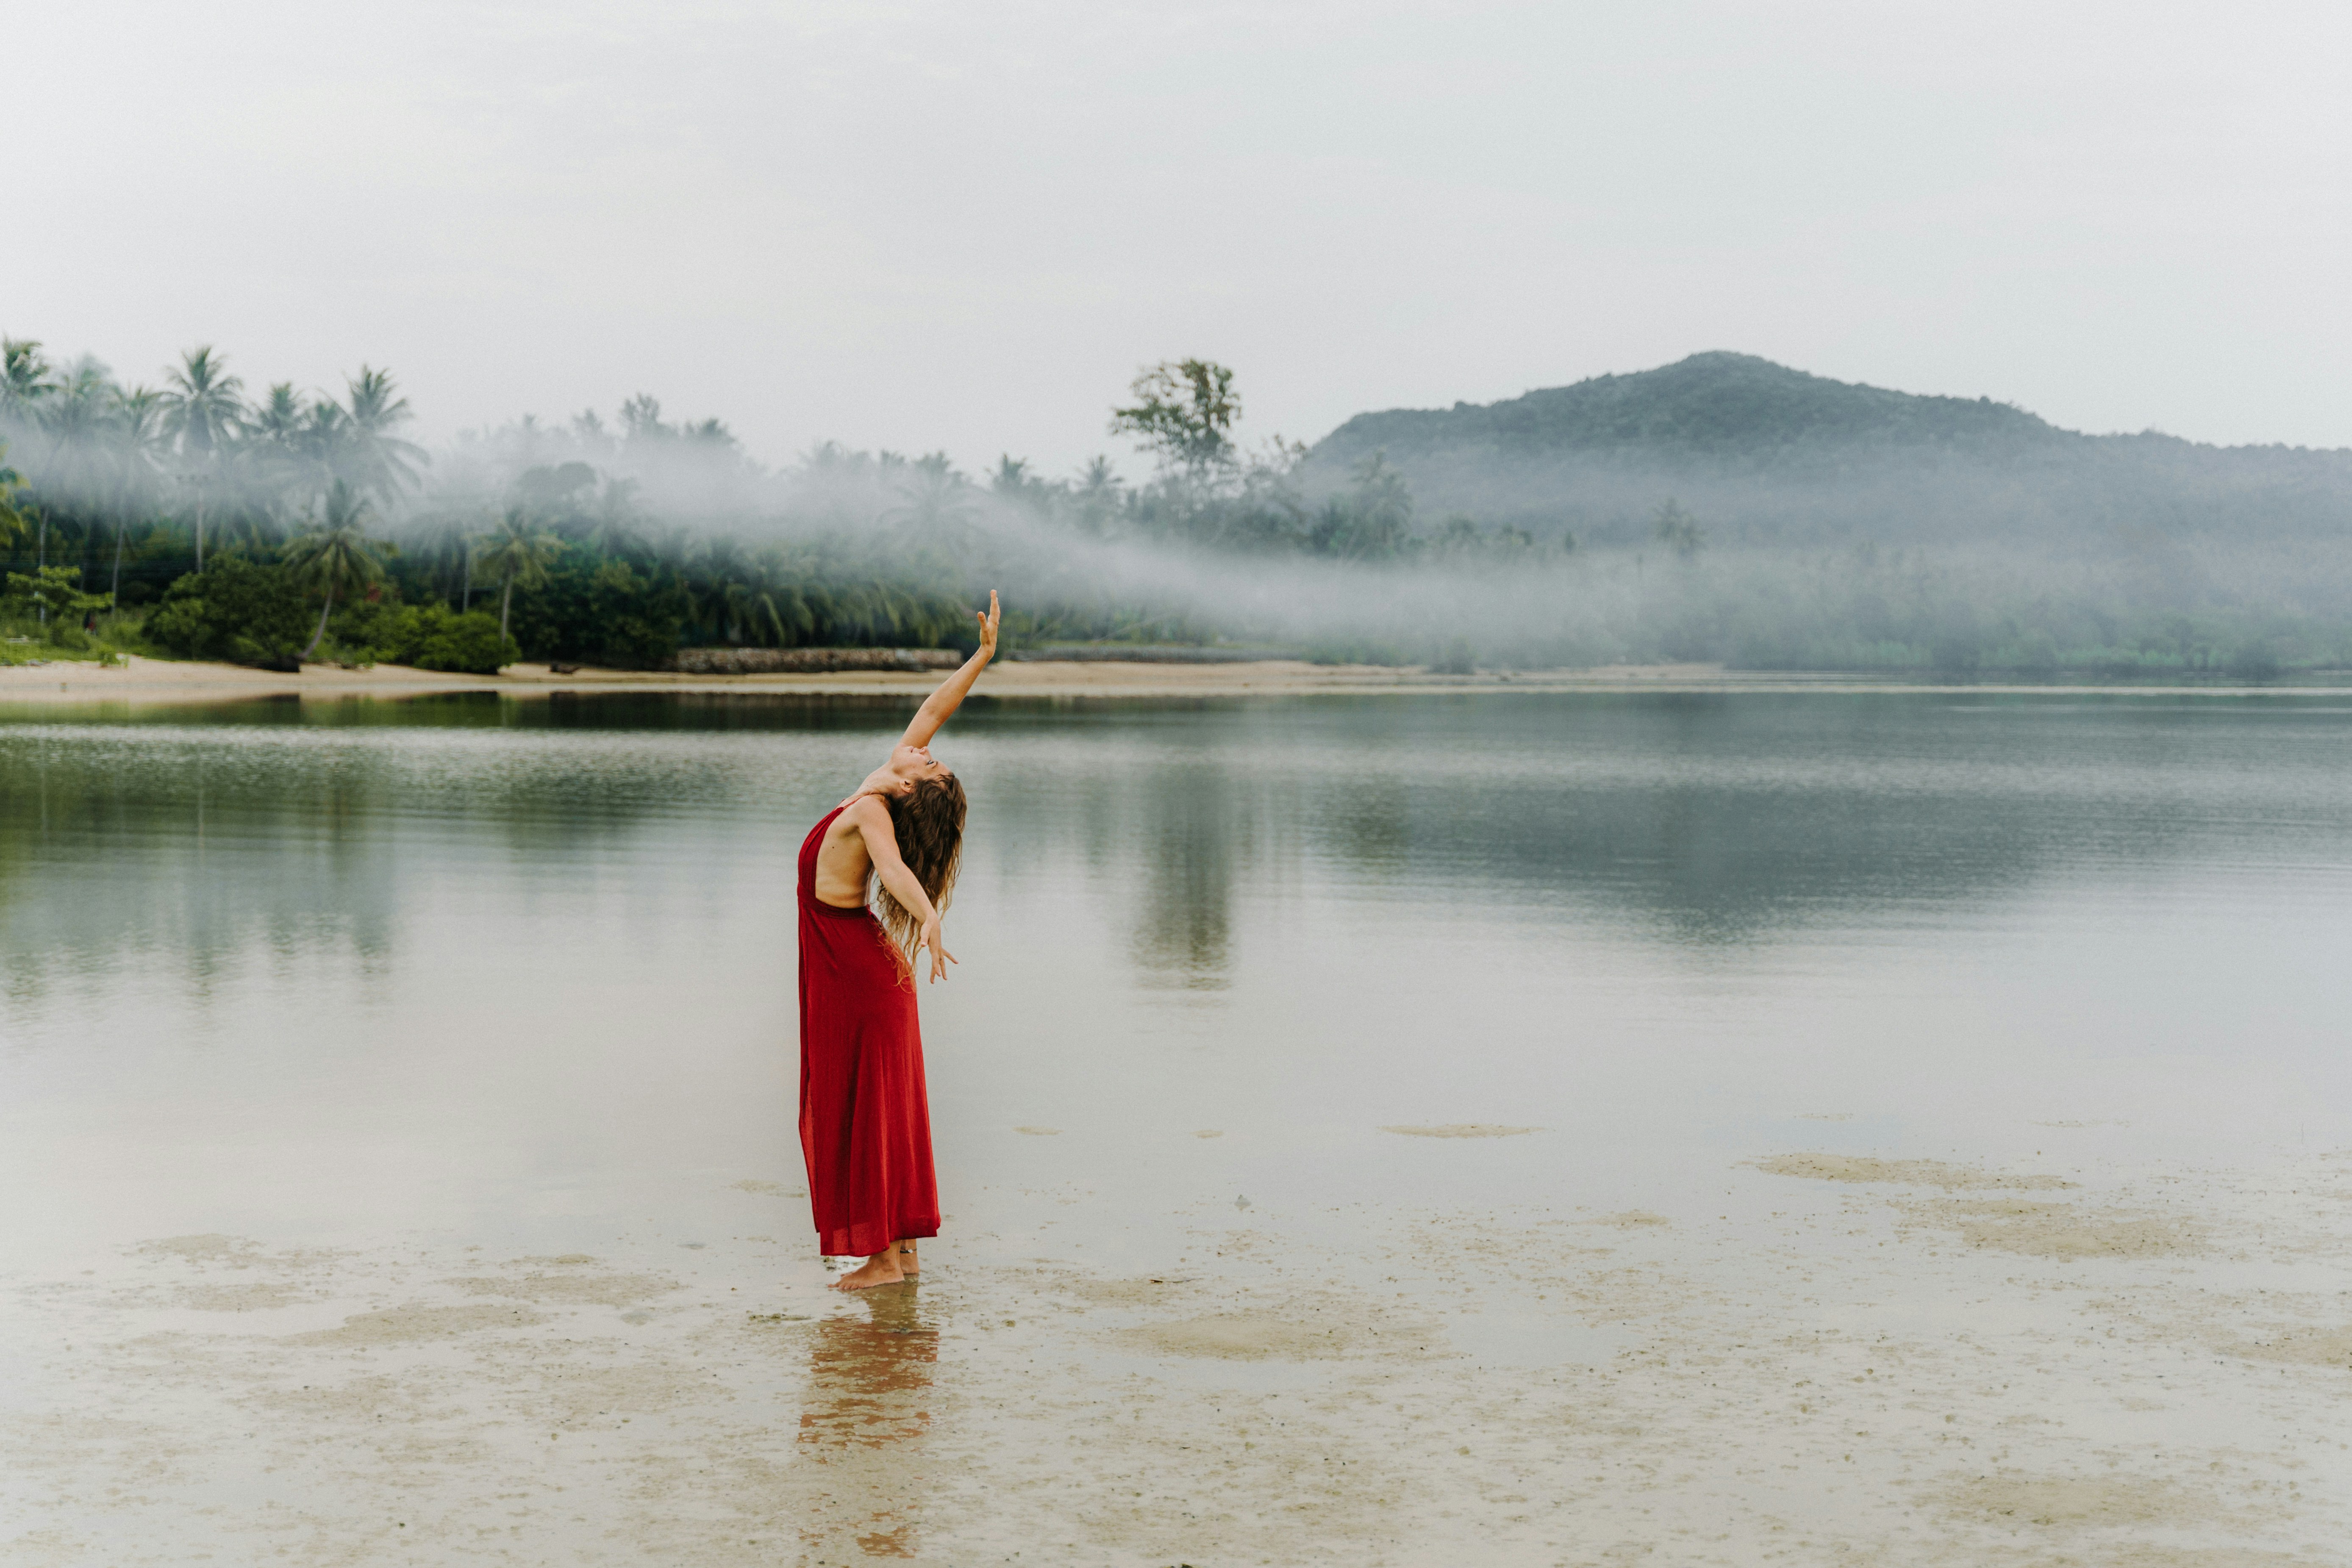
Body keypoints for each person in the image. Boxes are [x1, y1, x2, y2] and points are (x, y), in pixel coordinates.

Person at [796, 591, 1000, 1289]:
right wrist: (981, 657)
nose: (923, 749)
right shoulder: (887, 780)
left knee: (871, 1106)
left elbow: (892, 871)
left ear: (917, 791)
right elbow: (934, 711)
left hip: (856, 967)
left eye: (931, 763)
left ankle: (884, 1260)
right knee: (885, 1102)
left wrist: (931, 917)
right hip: (856, 961)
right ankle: (904, 1255)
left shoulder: (876, 809)